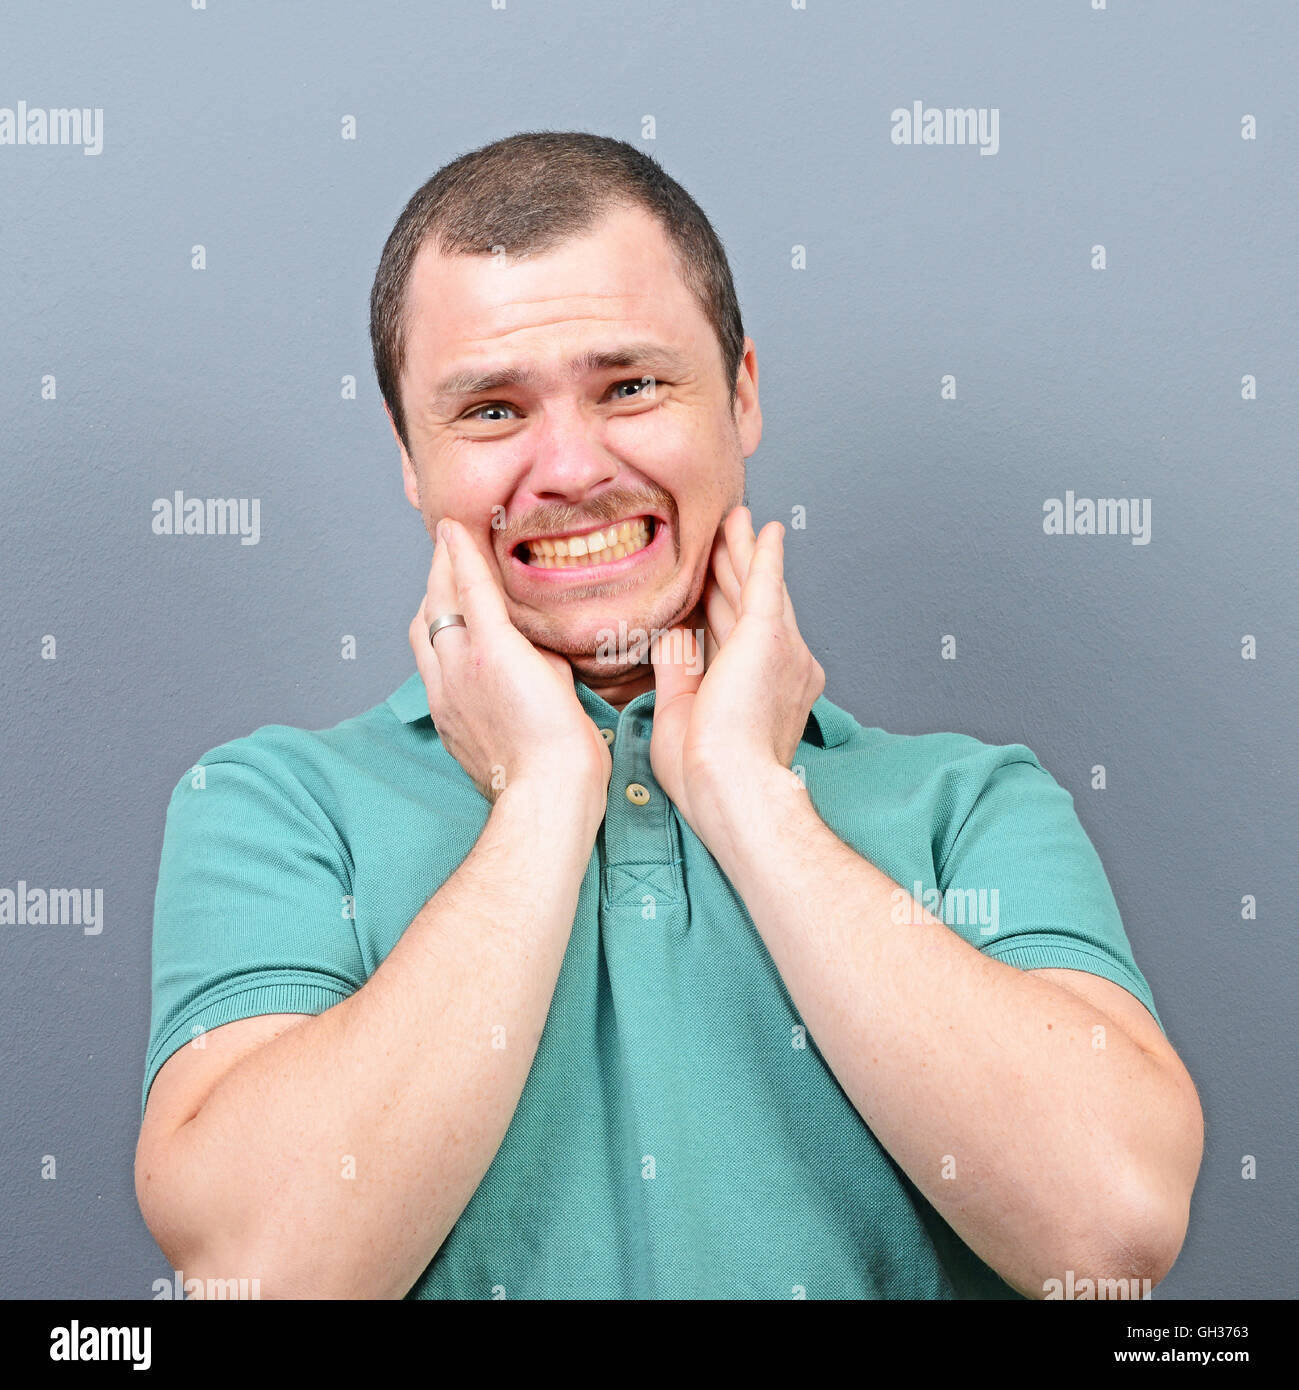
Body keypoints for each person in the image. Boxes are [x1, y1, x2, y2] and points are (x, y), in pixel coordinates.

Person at [135, 131, 1203, 1300]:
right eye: (491, 410)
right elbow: (268, 1273)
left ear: (741, 394)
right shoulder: (271, 810)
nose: (571, 468)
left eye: (630, 386)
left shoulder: (973, 805)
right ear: (408, 455)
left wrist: (750, 795)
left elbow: (1111, 1229)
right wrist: (544, 798)